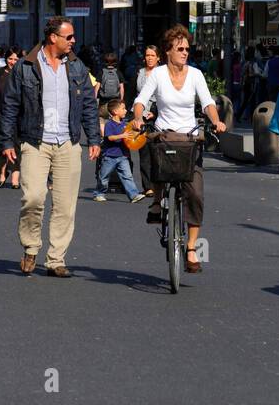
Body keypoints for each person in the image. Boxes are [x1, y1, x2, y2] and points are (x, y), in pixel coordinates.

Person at [0, 16, 101, 277]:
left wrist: (94, 138)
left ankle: (56, 259)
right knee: (33, 197)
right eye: (69, 37)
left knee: (65, 205)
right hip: (35, 141)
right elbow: (10, 106)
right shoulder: (26, 66)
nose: (73, 41)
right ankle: (31, 247)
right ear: (52, 38)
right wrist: (7, 141)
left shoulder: (77, 67)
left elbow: (89, 104)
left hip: (68, 141)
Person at [132, 24, 226, 274]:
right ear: (168, 51)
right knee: (158, 166)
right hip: (165, 136)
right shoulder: (158, 75)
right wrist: (139, 117)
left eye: (187, 48)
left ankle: (192, 248)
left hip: (189, 139)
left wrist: (216, 120)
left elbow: (207, 103)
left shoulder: (195, 75)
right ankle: (156, 200)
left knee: (195, 193)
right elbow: (141, 101)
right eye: (180, 48)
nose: (185, 52)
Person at [93, 98, 145, 203]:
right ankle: (99, 193)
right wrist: (122, 135)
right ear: (115, 112)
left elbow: (130, 137)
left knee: (127, 176)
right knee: (104, 176)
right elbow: (110, 138)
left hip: (123, 156)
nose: (126, 111)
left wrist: (138, 132)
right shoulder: (109, 124)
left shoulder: (125, 125)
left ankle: (134, 195)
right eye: (123, 109)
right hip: (109, 156)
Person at [0, 47, 20, 188]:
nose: (12, 62)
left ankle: (15, 175)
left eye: (15, 59)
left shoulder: (22, 74)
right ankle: (2, 170)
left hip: (17, 115)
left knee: (15, 144)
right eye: (10, 59)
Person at [135, 43, 161, 196]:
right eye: (147, 55)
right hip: (141, 117)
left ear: (158, 58)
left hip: (157, 117)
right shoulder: (140, 73)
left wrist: (155, 113)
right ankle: (148, 186)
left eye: (152, 55)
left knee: (157, 152)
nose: (149, 58)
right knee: (143, 153)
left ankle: (159, 183)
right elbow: (135, 94)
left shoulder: (163, 73)